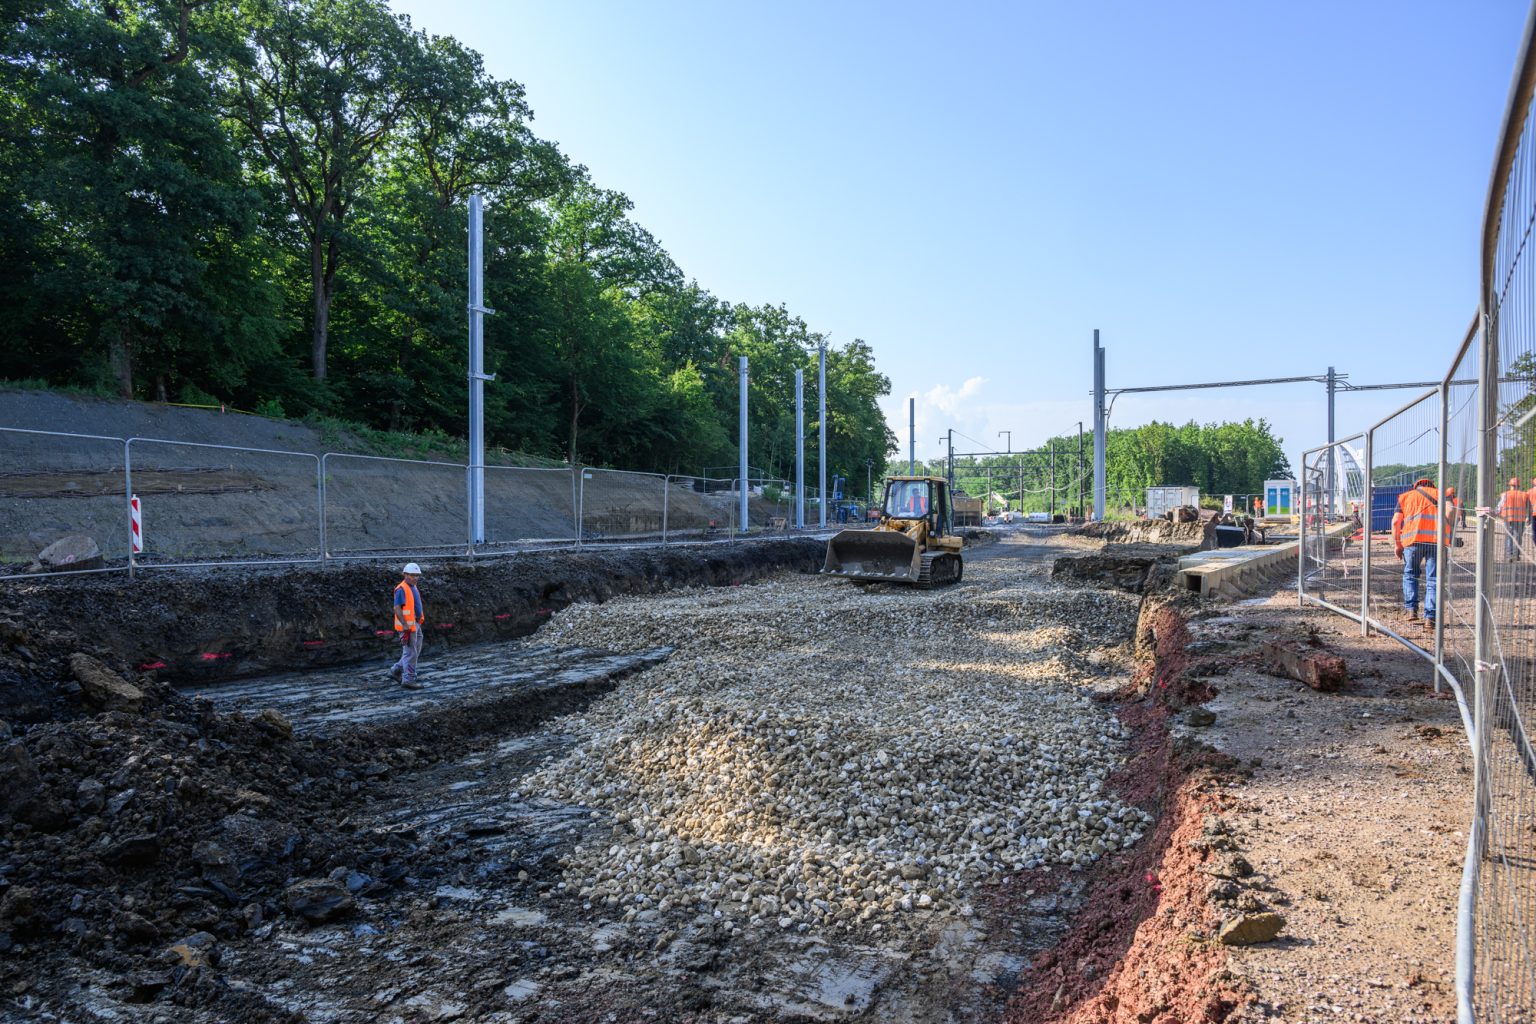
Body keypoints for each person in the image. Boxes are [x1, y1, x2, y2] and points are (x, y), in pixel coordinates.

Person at [1392, 478, 1440, 631]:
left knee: (1410, 575)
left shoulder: (1406, 497)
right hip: (1435, 542)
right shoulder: (1441, 495)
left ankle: (1411, 610)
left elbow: (1395, 522)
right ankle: (1430, 618)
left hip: (1412, 542)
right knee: (1433, 580)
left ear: (1416, 486)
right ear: (1431, 486)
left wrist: (1397, 544)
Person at [390, 562, 426, 689]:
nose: (415, 578)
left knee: (413, 652)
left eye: (417, 575)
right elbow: (397, 608)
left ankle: (396, 669)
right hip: (408, 626)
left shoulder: (413, 587)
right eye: (412, 575)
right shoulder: (401, 589)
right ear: (405, 575)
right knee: (411, 653)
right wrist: (405, 624)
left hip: (415, 624)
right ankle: (408, 679)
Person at [1498, 477, 1531, 560]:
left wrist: (1496, 513)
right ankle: (1516, 555)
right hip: (1520, 520)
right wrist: (1529, 518)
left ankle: (1509, 555)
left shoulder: (1505, 494)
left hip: (1508, 519)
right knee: (1518, 537)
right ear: (1518, 486)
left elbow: (1499, 506)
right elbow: (1530, 508)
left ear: (1510, 485)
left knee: (1509, 536)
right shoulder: (1524, 494)